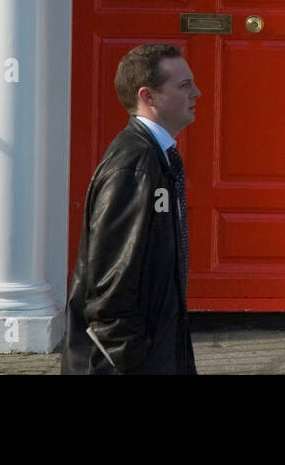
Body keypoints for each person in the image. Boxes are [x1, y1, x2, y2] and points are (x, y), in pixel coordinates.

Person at [62, 43, 200, 375]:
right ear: (148, 97)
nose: (197, 92)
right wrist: (131, 359)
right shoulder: (134, 166)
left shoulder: (156, 155)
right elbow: (109, 283)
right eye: (183, 86)